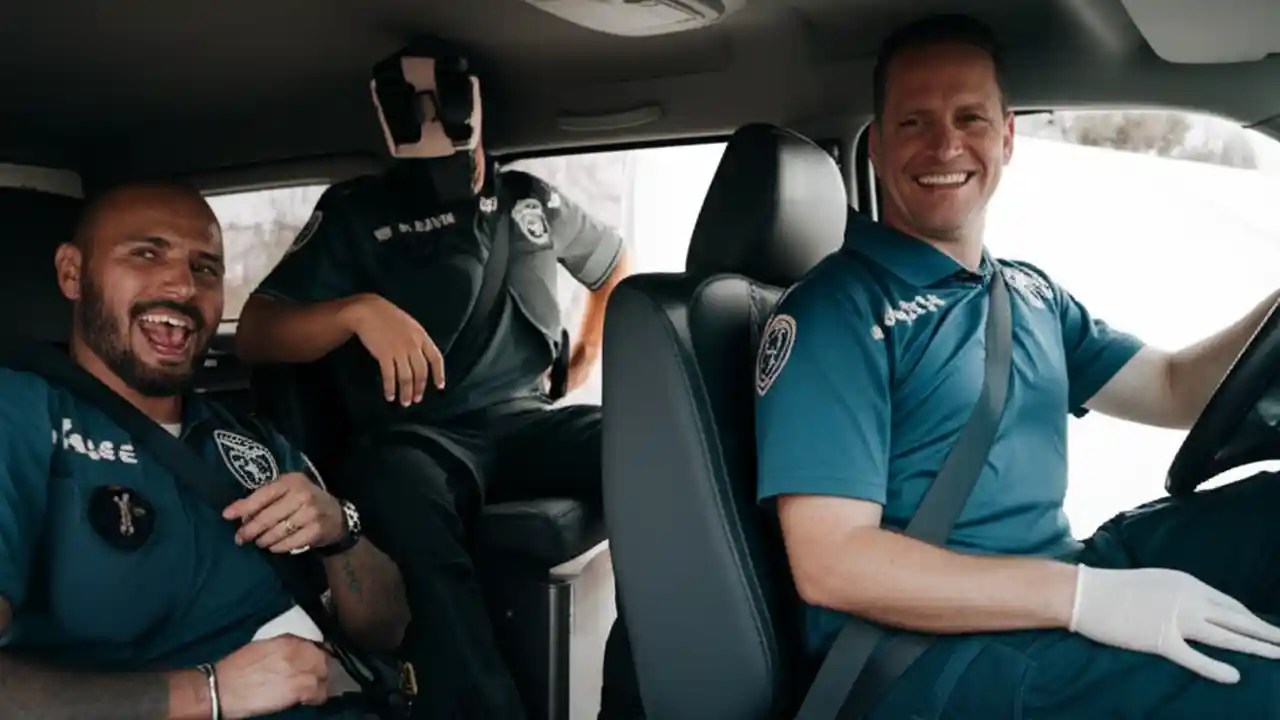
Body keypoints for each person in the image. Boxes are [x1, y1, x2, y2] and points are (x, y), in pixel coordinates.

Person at [754, 13, 1280, 718]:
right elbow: (833, 562)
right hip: (928, 655)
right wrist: (1085, 601)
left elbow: (1172, 386)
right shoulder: (836, 314)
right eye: (914, 122)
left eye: (970, 117)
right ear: (876, 148)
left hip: (1061, 581)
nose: (945, 143)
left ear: (1005, 136)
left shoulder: (1029, 292)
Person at [234, 40, 641, 718]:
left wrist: (585, 357)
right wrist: (355, 313)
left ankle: (644, 692)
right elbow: (256, 330)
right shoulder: (355, 213)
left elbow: (617, 268)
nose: (449, 174)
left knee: (654, 452)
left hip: (529, 422)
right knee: (402, 503)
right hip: (415, 436)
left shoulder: (530, 200)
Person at [0, 182, 411, 719]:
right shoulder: (24, 413)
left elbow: (388, 629)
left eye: (206, 268)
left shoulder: (253, 442)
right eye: (147, 254)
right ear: (73, 274)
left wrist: (341, 530)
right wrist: (208, 693)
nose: (182, 285)